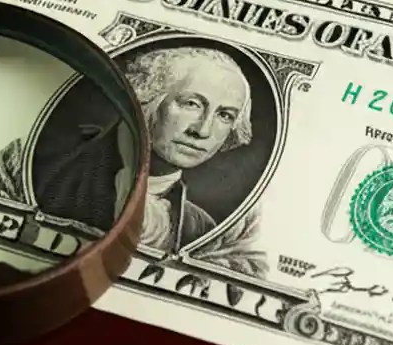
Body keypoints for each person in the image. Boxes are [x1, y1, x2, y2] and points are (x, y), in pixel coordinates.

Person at [31, 44, 253, 253]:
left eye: (225, 115)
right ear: (148, 99)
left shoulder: (200, 228)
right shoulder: (53, 171)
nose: (202, 130)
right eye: (191, 104)